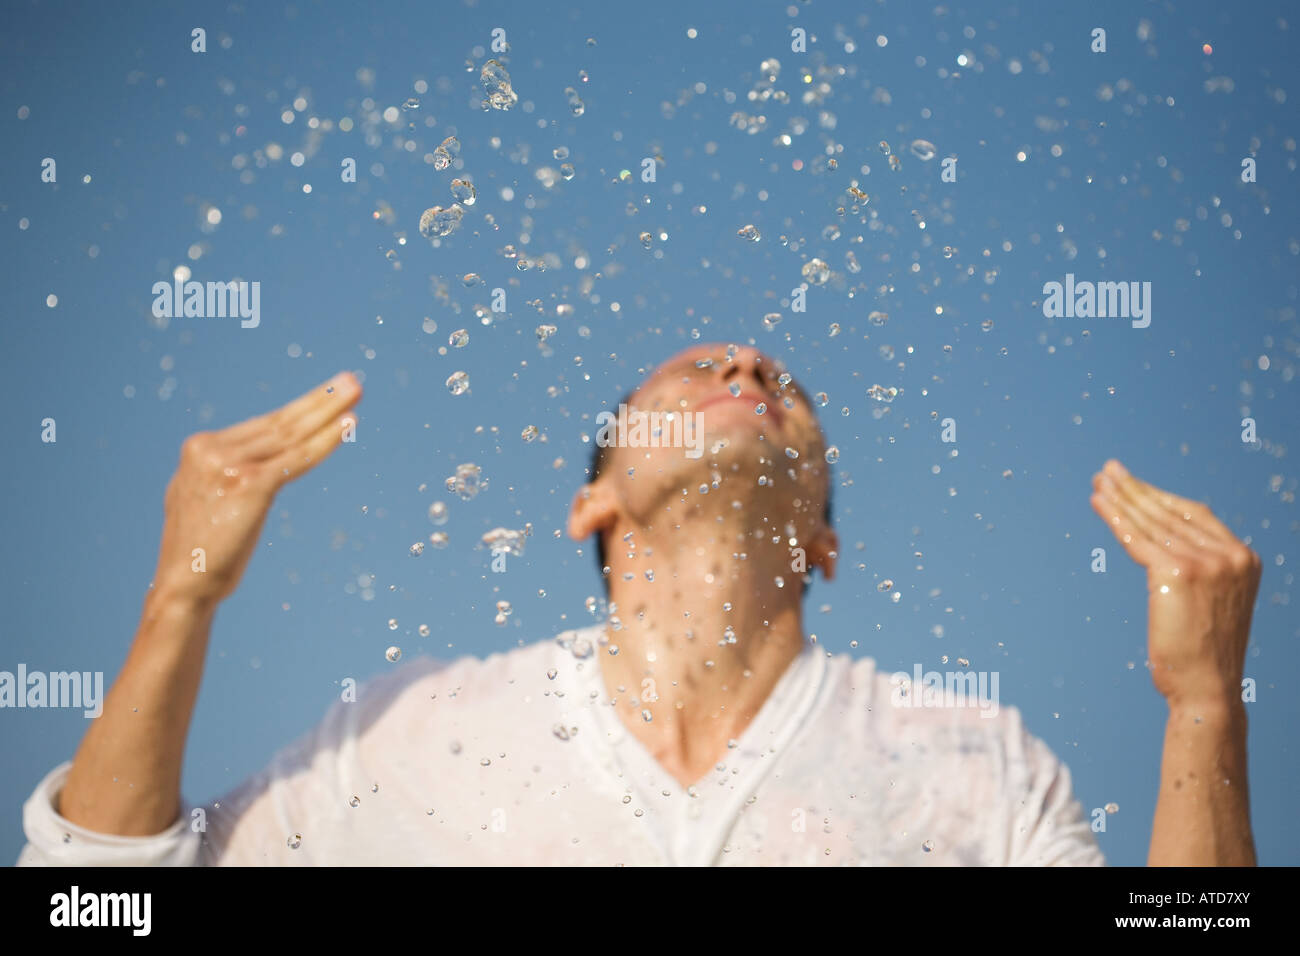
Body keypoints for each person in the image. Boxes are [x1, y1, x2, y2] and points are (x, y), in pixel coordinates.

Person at [17, 344, 1259, 865]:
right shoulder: (413, 733)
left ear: (822, 538)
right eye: (692, 369)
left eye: (779, 377)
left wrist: (1202, 707)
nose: (748, 366)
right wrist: (177, 602)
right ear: (593, 502)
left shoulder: (977, 763)